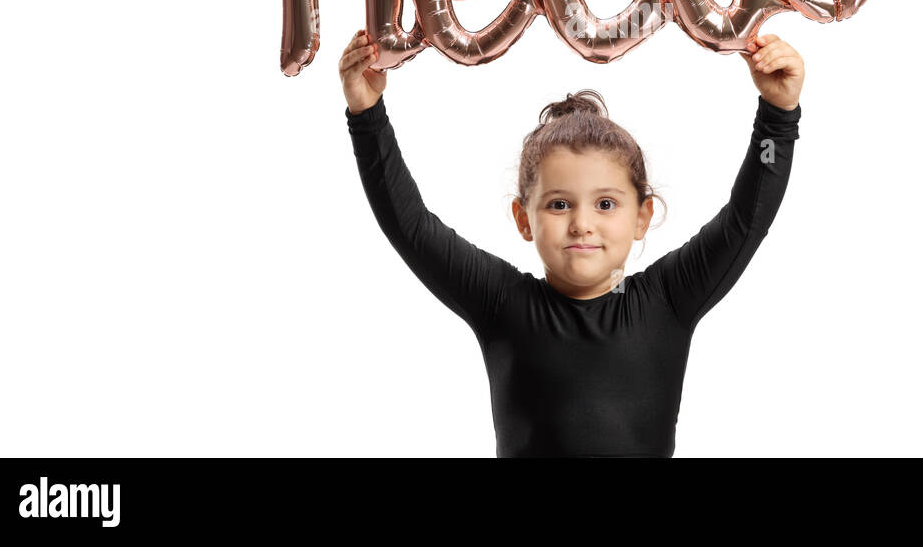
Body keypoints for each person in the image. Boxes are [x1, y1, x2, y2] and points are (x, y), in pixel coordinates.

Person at [340, 28, 804, 457]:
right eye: (559, 205)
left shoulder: (666, 301)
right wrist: (367, 116)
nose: (583, 224)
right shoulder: (504, 304)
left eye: (606, 204)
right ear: (524, 219)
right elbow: (410, 226)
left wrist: (777, 118)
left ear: (642, 217)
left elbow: (747, 219)